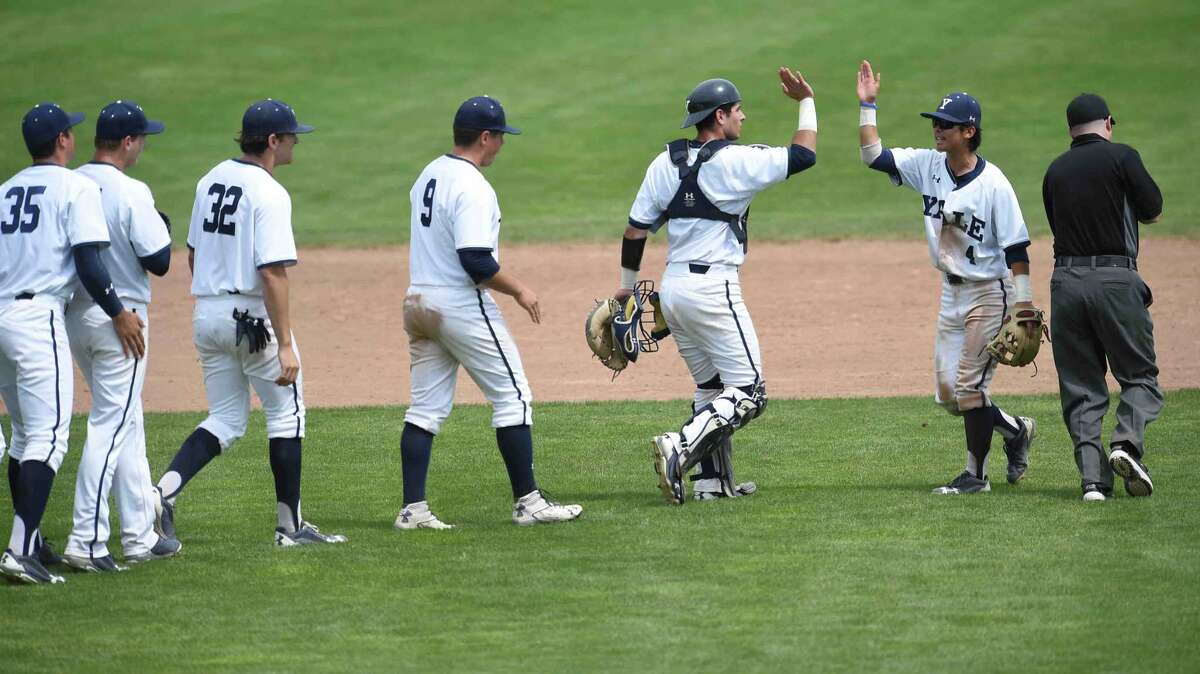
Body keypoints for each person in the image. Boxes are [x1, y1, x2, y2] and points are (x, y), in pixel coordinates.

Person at [151, 99, 346, 547]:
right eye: (292, 135)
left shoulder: (209, 179)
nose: (297, 141)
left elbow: (195, 255)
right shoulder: (270, 192)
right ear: (273, 141)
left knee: (224, 418)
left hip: (208, 313)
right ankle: (290, 527)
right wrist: (285, 343)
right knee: (287, 415)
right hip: (252, 319)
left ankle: (161, 494)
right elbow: (273, 272)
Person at [623, 68, 818, 505]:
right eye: (737, 110)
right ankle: (679, 445)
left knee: (712, 388)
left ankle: (712, 484)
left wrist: (624, 288)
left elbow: (635, 231)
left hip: (672, 292)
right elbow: (803, 156)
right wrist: (807, 101)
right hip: (714, 290)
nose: (743, 117)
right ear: (720, 116)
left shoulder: (664, 161)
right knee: (749, 392)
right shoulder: (736, 161)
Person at [397, 96, 582, 528]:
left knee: (424, 410)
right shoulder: (473, 186)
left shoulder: (430, 173)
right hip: (458, 304)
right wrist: (521, 290)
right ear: (485, 136)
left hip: (417, 301)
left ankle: (413, 509)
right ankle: (528, 503)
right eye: (500, 136)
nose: (502, 144)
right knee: (513, 397)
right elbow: (476, 262)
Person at [855, 60, 1038, 494]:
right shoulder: (927, 166)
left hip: (989, 294)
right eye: (937, 122)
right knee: (950, 396)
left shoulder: (995, 185)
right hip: (950, 294)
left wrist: (1024, 303)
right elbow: (872, 155)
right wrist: (868, 107)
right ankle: (1015, 430)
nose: (938, 129)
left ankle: (975, 476)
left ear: (969, 132)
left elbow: (1017, 249)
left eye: (947, 125)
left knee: (969, 387)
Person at [1, 102, 140, 584]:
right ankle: (19, 550)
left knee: (23, 435)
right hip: (38, 318)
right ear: (62, 140)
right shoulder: (77, 187)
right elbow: (88, 262)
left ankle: (32, 541)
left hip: (1, 316)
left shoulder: (5, 191)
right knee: (50, 436)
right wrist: (118, 312)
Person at [60, 100, 181, 573]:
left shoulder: (71, 183)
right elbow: (160, 260)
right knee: (110, 426)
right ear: (128, 142)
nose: (144, 146)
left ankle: (139, 536)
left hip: (75, 318)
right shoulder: (130, 190)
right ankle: (85, 539)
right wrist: (163, 227)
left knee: (126, 420)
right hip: (121, 321)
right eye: (142, 138)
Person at [1042, 94, 1163, 502]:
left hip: (1065, 283)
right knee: (1140, 376)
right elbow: (1153, 210)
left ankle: (1093, 482)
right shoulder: (1123, 157)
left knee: (1080, 386)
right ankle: (1125, 446)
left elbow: (1056, 222)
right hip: (1115, 279)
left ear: (1070, 130)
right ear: (1108, 123)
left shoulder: (1055, 170)